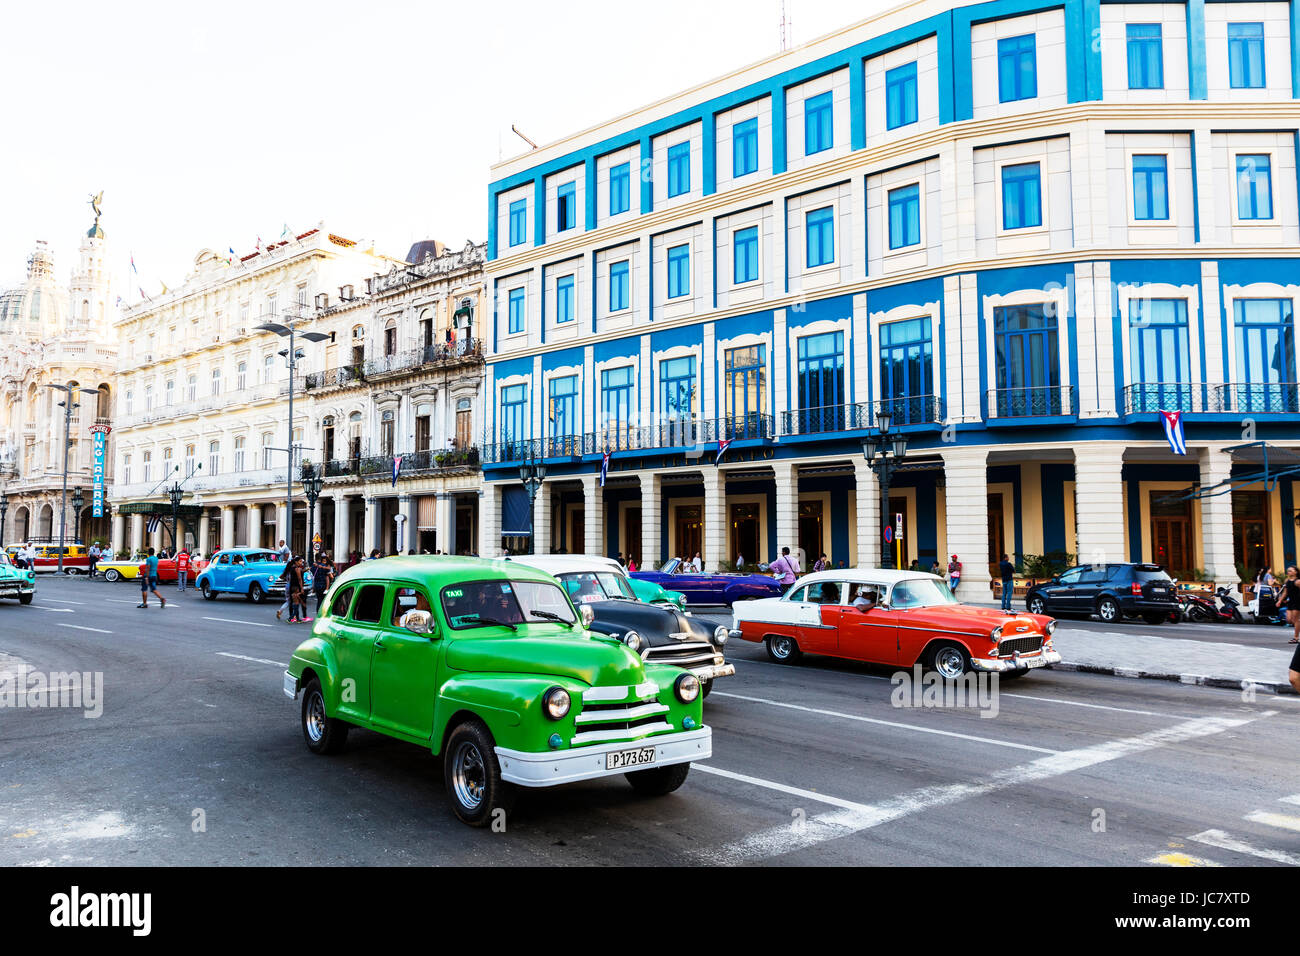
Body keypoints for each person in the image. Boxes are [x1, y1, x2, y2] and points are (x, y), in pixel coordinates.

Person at [1279, 565, 1300, 645]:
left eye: (1291, 571)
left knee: (1296, 620)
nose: (1289, 572)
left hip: (1297, 602)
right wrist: (1280, 600)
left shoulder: (1298, 581)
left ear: (1296, 572)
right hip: (1290, 602)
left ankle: (1296, 638)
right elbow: (1285, 592)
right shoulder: (1287, 580)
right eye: (1288, 571)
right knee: (1289, 620)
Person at [287, 556, 308, 624]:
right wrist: (301, 588)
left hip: (292, 586)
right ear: (296, 562)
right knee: (296, 603)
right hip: (296, 587)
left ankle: (296, 618)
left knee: (294, 603)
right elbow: (299, 579)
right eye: (300, 561)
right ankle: (292, 618)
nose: (301, 563)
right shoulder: (297, 569)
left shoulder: (292, 568)